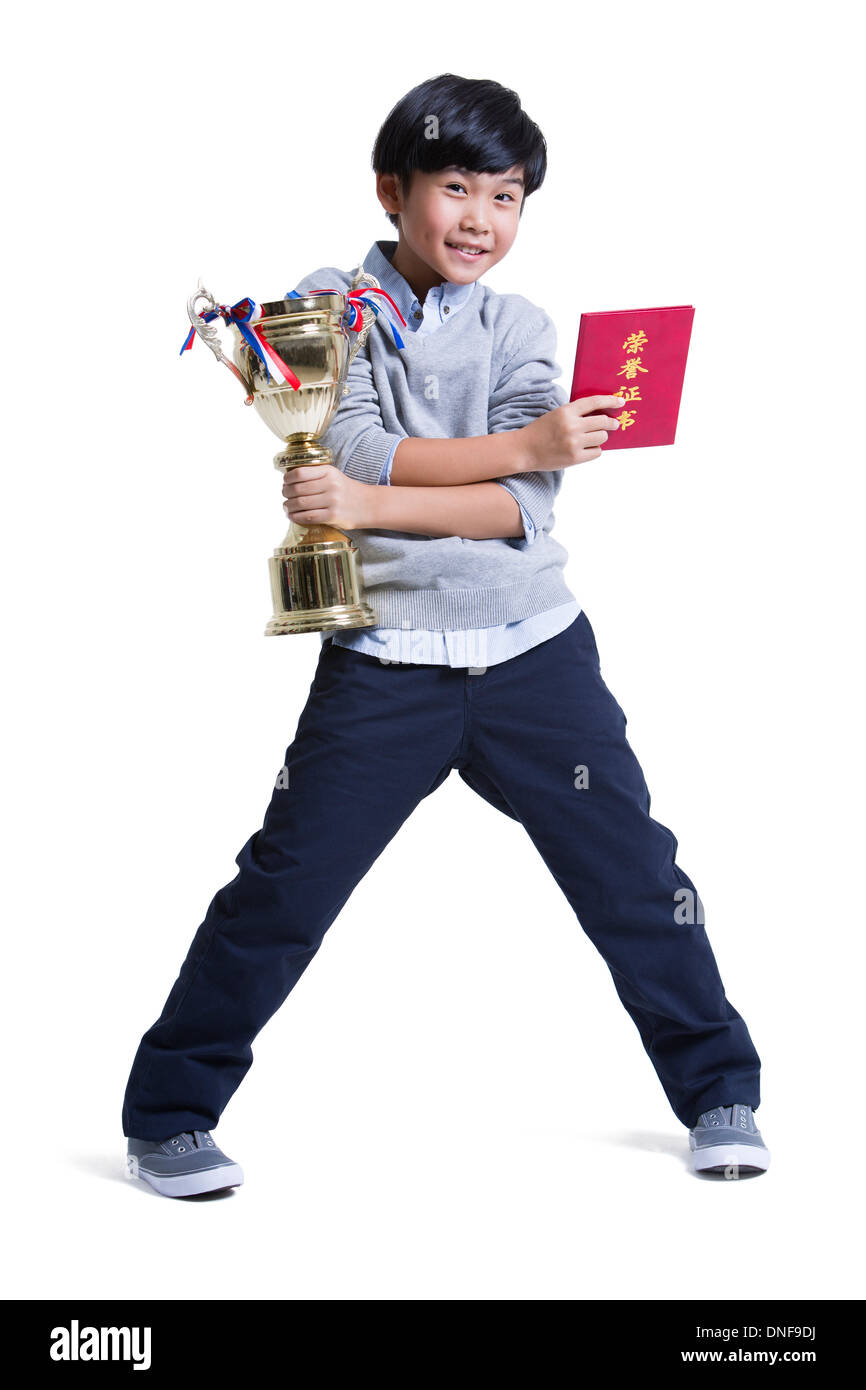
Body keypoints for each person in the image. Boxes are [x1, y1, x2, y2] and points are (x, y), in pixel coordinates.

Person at [122, 73, 769, 1197]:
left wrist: (426, 491)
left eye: (506, 196)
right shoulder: (331, 302)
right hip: (385, 668)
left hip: (533, 657)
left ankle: (719, 1089)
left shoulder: (522, 326)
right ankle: (168, 1113)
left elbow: (518, 512)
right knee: (282, 888)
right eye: (455, 186)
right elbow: (362, 448)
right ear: (392, 189)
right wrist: (514, 449)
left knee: (633, 878)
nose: (479, 217)